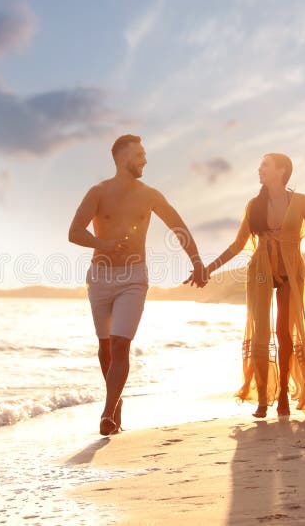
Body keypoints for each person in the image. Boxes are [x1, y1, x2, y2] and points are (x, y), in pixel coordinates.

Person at [186, 153, 305, 417]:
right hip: (261, 271)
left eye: (265, 165)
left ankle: (283, 391)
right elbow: (238, 245)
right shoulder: (254, 205)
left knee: (284, 332)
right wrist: (208, 269)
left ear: (282, 170)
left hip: (290, 270)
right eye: (260, 165)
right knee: (261, 332)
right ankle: (263, 397)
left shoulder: (301, 201)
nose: (259, 169)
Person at [69, 134, 206, 436]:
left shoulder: (150, 195)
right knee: (105, 346)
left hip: (133, 277)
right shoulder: (98, 192)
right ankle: (116, 407)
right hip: (100, 277)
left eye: (144, 154)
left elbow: (178, 226)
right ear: (121, 158)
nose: (145, 160)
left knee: (120, 344)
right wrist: (102, 243)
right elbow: (74, 232)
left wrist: (196, 261)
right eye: (139, 155)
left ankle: (106, 414)